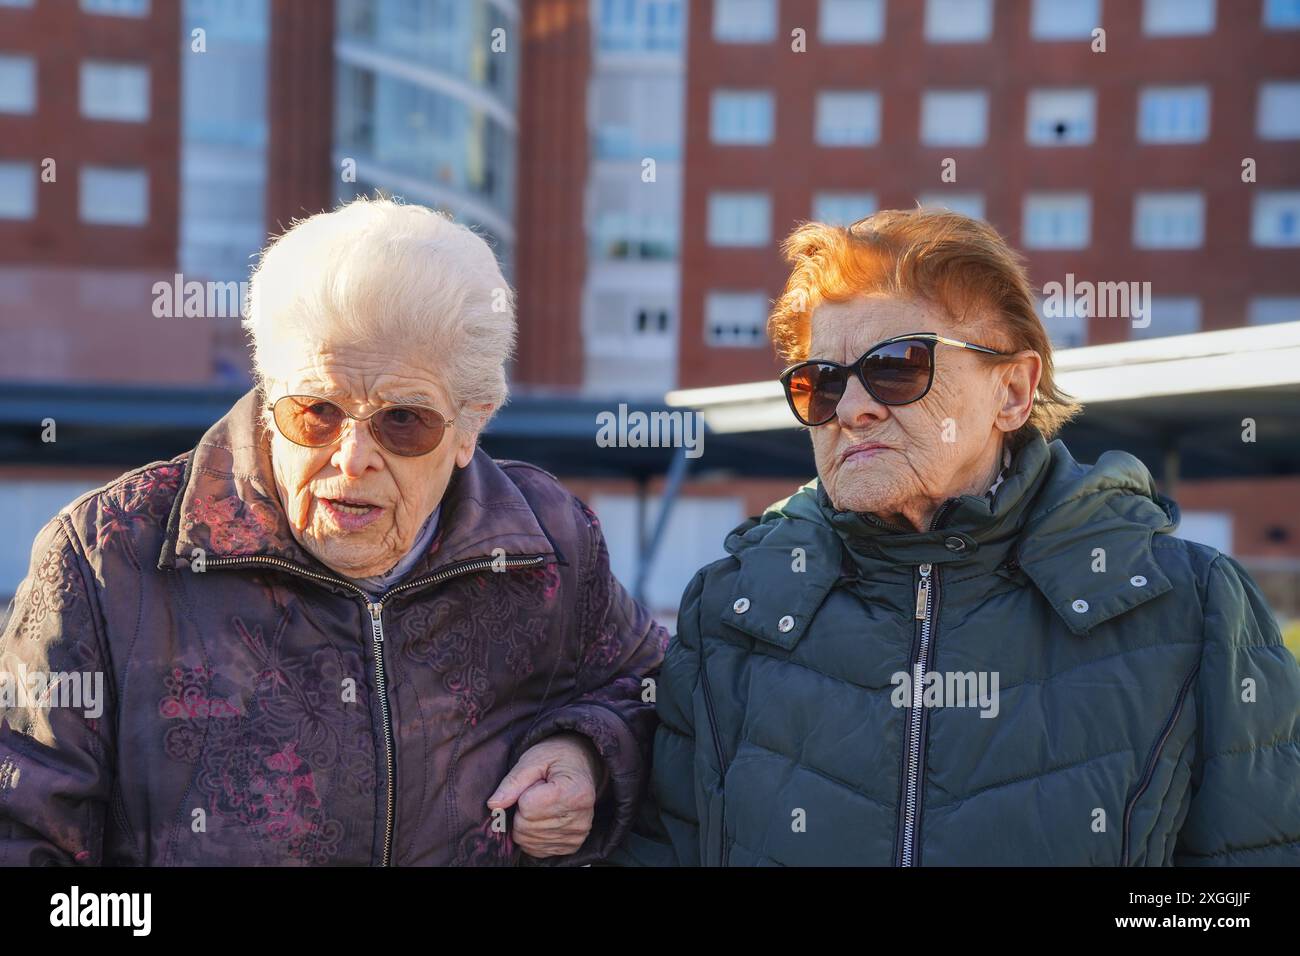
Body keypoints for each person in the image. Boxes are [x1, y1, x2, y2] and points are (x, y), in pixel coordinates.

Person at [0, 198, 667, 866]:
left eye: (403, 421)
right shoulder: (110, 555)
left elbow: (657, 690)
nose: (352, 458)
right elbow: (21, 831)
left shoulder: (547, 543)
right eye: (316, 411)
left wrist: (587, 753)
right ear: (269, 399)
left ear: (471, 425)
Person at [627, 209, 1300, 866]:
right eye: (820, 383)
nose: (851, 410)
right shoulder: (731, 609)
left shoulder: (1190, 606)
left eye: (896, 366)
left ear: (1012, 391)